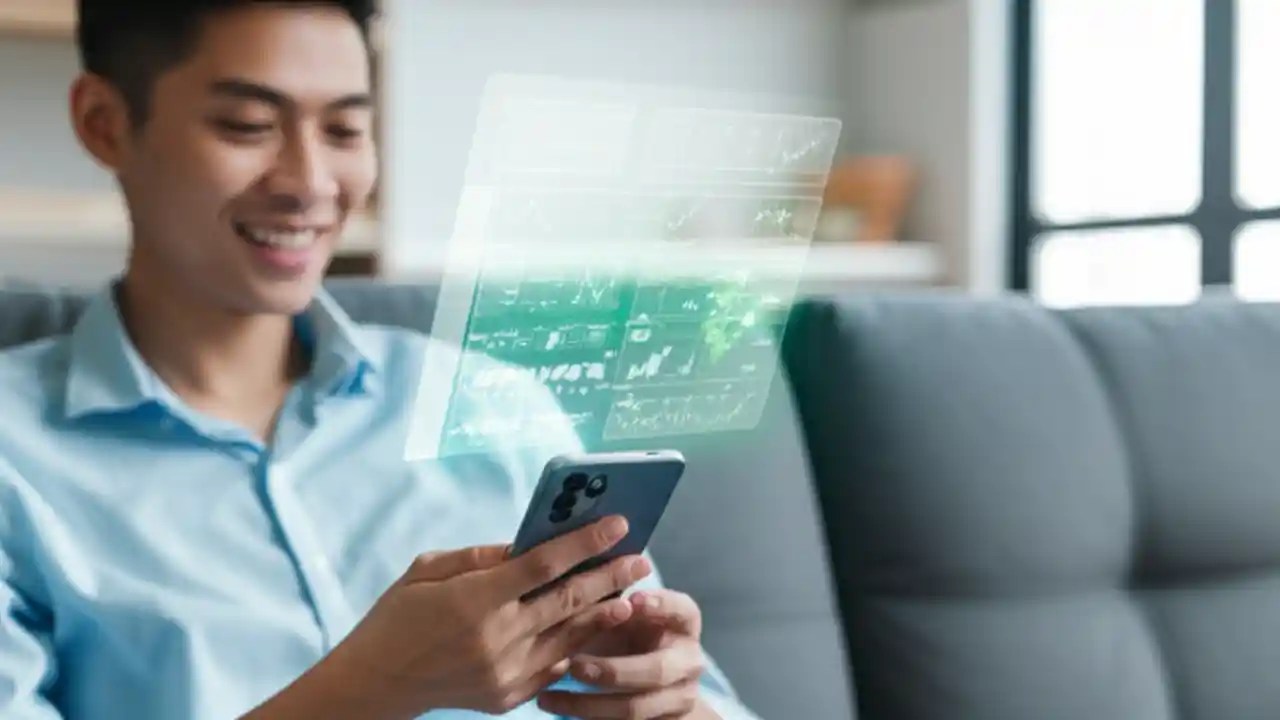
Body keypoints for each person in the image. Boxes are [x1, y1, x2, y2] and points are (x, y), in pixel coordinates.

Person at [0, 2, 762, 718]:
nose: (309, 184)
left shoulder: (489, 401)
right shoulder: (18, 460)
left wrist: (673, 701)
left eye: (343, 131)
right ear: (104, 125)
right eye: (247, 125)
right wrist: (370, 690)